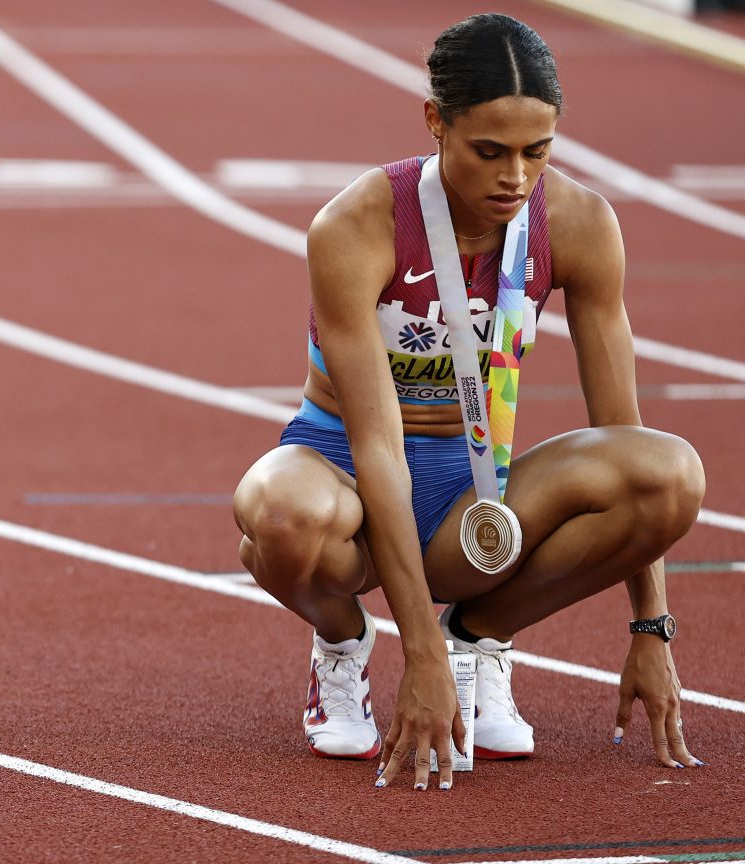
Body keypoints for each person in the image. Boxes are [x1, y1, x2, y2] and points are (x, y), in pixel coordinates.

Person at [231, 12, 706, 791]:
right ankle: (342, 644)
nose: (515, 177)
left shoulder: (578, 224)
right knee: (281, 515)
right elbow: (378, 442)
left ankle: (480, 638)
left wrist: (651, 627)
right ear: (436, 121)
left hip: (475, 486)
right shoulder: (357, 224)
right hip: (344, 464)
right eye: (489, 151)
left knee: (670, 475)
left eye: (536, 151)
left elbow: (620, 429)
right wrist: (416, 656)